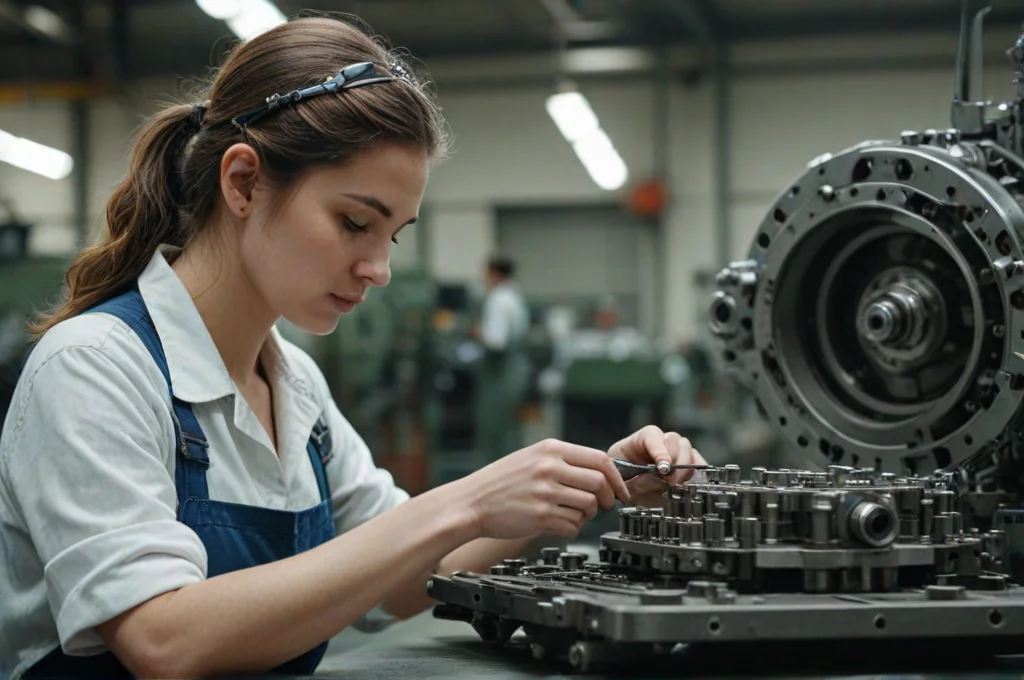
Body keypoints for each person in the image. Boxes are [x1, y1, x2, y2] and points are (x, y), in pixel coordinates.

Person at [0, 16, 706, 680]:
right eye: (354, 222)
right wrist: (463, 503)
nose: (380, 268)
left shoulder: (295, 386)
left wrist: (583, 482)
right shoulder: (96, 367)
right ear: (243, 183)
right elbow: (163, 641)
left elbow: (406, 576)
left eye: (392, 234)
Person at [474, 254, 531, 462]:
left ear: (494, 274)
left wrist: (476, 333)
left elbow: (495, 342)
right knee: (509, 428)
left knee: (495, 430)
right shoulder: (514, 295)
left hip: (500, 376)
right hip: (515, 373)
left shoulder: (498, 298)